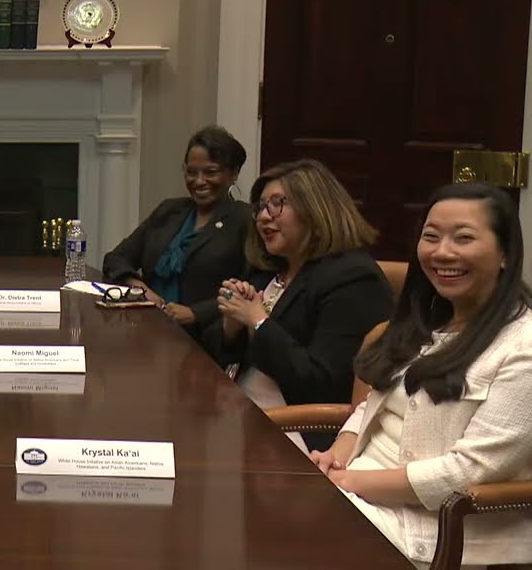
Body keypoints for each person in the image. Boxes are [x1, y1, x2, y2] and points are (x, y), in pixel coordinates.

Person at [311, 183, 532, 569]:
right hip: (359, 491)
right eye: (431, 237)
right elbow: (375, 402)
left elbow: (468, 472)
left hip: (435, 528)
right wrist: (339, 454)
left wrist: (346, 486)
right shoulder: (427, 320)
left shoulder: (522, 346)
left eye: (463, 238)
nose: (442, 252)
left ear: (505, 255)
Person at [204, 158, 393, 449]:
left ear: (316, 208)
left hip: (298, 430)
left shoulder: (353, 278)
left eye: (277, 204)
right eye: (260, 208)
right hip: (238, 410)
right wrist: (232, 326)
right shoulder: (267, 269)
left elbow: (323, 383)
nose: (264, 217)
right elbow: (219, 351)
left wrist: (257, 321)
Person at [101, 125, 252, 330]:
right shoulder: (169, 211)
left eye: (210, 172)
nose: (198, 181)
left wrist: (195, 313)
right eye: (191, 172)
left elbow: (253, 287)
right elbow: (116, 259)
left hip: (204, 338)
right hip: (148, 327)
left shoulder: (244, 219)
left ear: (233, 174)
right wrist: (144, 292)